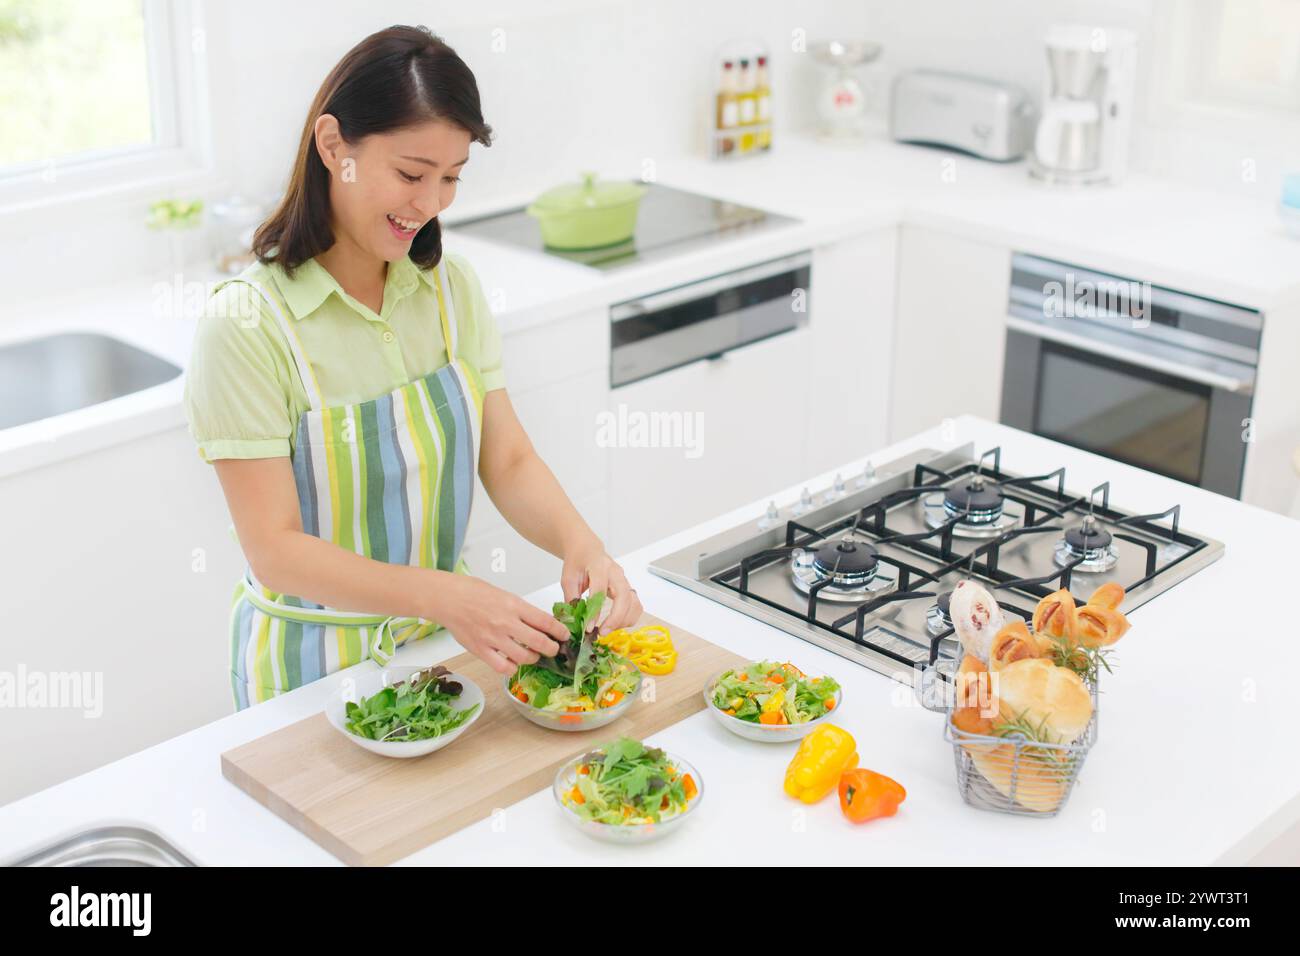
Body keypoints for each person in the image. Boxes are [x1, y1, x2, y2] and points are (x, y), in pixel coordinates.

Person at [183, 25, 641, 710]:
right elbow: (274, 549)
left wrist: (582, 544)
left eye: (451, 177)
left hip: (438, 660)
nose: (429, 205)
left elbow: (507, 458)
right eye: (410, 173)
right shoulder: (245, 327)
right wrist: (451, 595)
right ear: (333, 145)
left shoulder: (452, 290)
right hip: (308, 681)